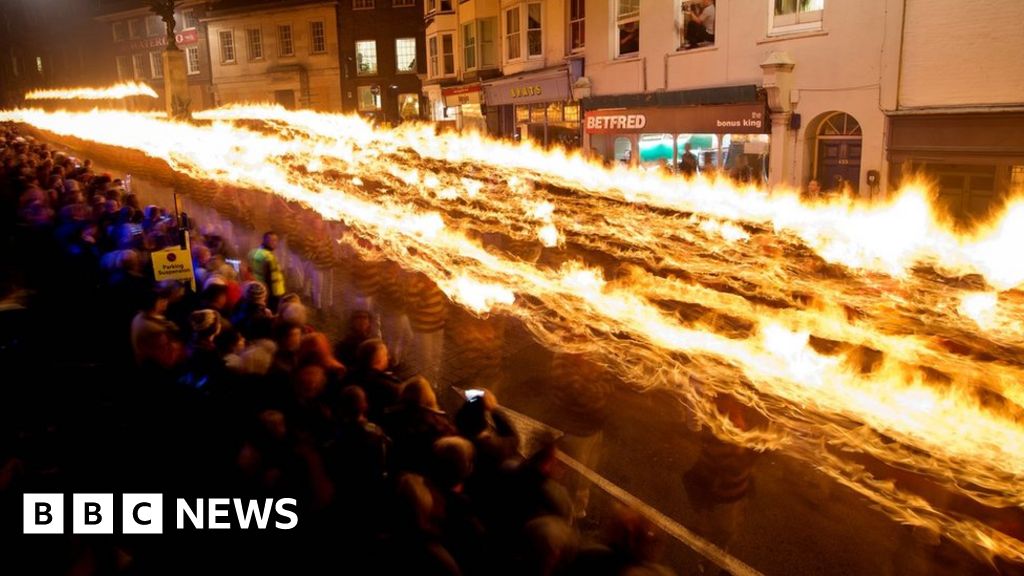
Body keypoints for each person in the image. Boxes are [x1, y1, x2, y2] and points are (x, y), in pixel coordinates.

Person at [248, 231, 285, 310]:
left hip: (257, 289)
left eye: (276, 240)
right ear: (265, 240)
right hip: (272, 294)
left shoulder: (253, 252)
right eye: (272, 240)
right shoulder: (269, 257)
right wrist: (271, 295)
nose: (275, 243)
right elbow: (269, 278)